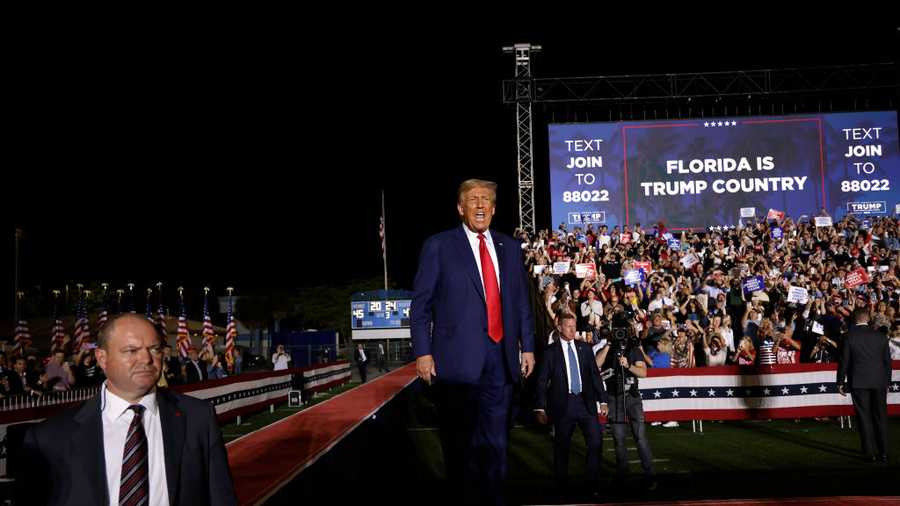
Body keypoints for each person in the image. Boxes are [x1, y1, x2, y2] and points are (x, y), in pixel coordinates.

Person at [19, 313, 237, 505]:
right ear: (102, 358)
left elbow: (221, 497)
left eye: (154, 349)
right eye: (131, 350)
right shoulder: (49, 438)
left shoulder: (198, 418)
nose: (146, 359)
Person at [411, 179, 535, 506]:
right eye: (473, 199)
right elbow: (420, 306)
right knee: (459, 446)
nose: (480, 205)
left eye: (486, 199)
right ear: (460, 208)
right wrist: (423, 352)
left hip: (501, 361)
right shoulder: (439, 245)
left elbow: (521, 302)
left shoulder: (510, 247)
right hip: (456, 365)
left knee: (497, 445)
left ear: (494, 208)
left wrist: (528, 345)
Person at [534, 313, 608, 497]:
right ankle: (561, 487)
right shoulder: (550, 352)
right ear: (559, 327)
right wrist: (540, 407)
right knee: (562, 447)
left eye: (574, 326)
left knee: (596, 442)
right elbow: (542, 381)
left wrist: (603, 400)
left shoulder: (585, 348)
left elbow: (594, 376)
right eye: (568, 326)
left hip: (585, 403)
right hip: (563, 404)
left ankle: (592, 484)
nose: (572, 329)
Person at [595, 310, 657, 491]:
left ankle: (650, 476)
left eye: (622, 328)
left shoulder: (633, 348)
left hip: (632, 397)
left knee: (640, 438)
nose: (620, 332)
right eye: (617, 328)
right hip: (614, 397)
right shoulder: (607, 348)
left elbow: (643, 372)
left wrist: (628, 365)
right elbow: (596, 364)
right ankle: (623, 476)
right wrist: (608, 344)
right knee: (618, 439)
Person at [837, 308, 892, 462]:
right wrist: (887, 381)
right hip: (879, 381)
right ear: (868, 318)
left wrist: (840, 381)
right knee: (880, 416)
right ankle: (884, 452)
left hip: (858, 381)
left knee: (864, 417)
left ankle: (869, 453)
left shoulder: (848, 336)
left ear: (854, 319)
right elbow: (887, 362)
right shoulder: (881, 336)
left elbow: (844, 361)